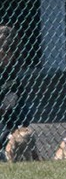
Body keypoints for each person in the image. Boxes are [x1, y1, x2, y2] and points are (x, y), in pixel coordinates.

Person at [0, 25, 32, 161]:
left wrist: (11, 99)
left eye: (8, 54)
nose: (4, 58)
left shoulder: (11, 72)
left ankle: (10, 139)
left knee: (26, 109)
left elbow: (17, 92)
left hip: (8, 112)